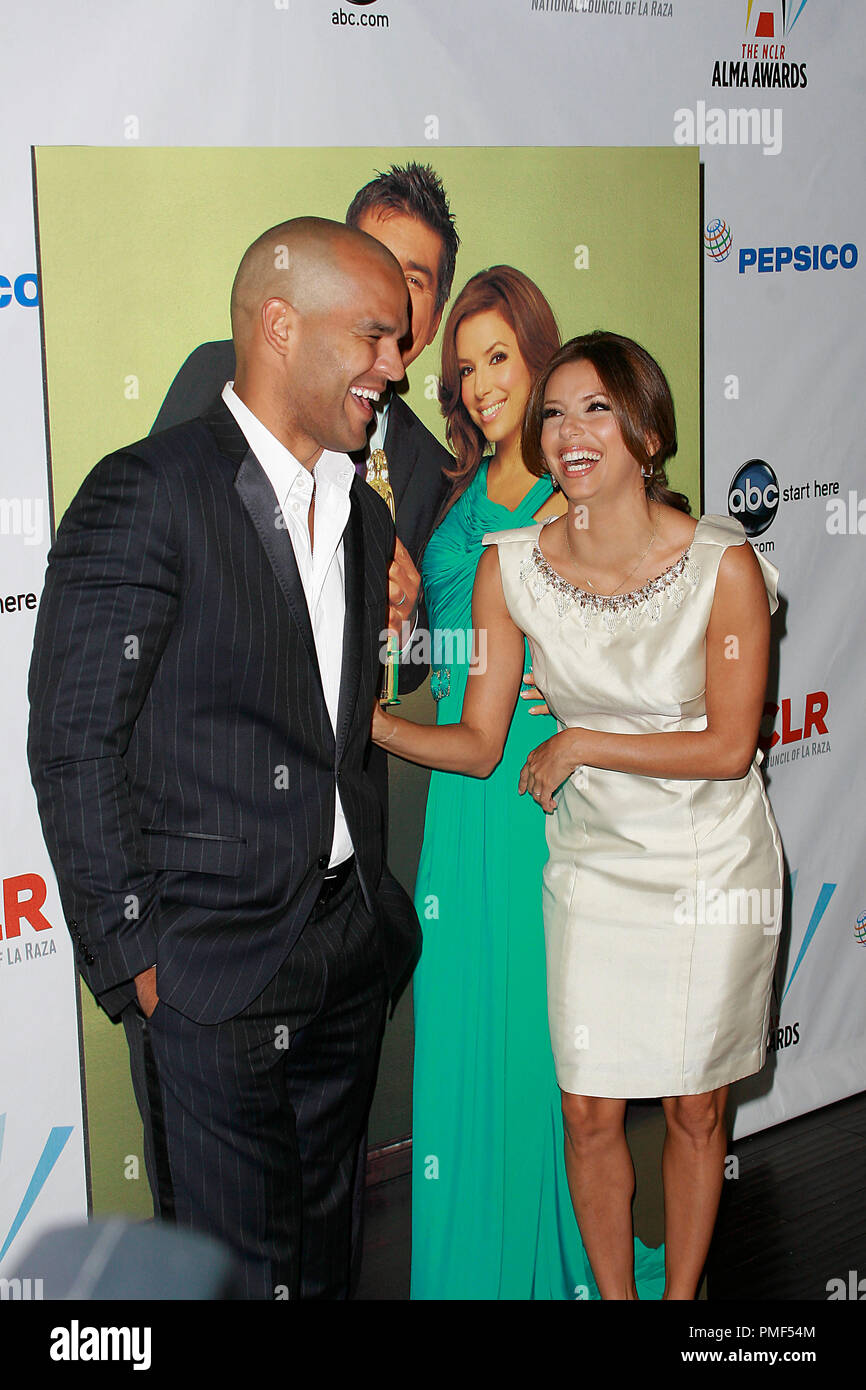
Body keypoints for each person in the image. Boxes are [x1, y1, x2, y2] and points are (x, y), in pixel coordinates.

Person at [28, 217, 422, 1300]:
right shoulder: (147, 490)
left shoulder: (358, 507)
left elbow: (342, 709)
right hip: (207, 977)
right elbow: (73, 737)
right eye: (377, 336)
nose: (398, 364)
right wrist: (137, 959)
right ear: (281, 327)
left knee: (329, 1254)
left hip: (345, 949)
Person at [373, 330, 781, 1300]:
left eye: (594, 408)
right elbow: (477, 743)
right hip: (590, 871)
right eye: (554, 413)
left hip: (707, 863)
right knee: (588, 1112)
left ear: (643, 429)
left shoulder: (721, 564)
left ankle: (680, 1302)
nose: (567, 431)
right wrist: (370, 724)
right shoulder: (509, 566)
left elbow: (728, 748)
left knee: (693, 1108)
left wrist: (584, 740)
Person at [402, 271, 663, 1299]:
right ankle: (472, 1267)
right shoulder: (455, 496)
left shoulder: (574, 493)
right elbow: (443, 649)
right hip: (457, 810)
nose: (475, 384)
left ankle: (537, 1267)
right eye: (462, 367)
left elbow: (646, 646)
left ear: (540, 357)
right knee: (464, 1035)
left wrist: (582, 714)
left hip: (530, 799)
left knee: (532, 1050)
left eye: (497, 357)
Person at [151, 162, 459, 666]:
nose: (393, 294)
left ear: (432, 322)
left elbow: (417, 674)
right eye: (374, 263)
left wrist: (405, 628)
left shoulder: (437, 474)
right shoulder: (216, 375)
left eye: (413, 279)